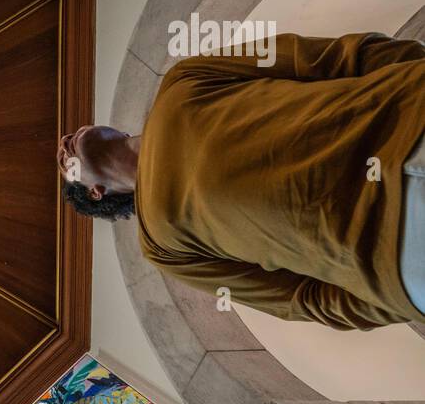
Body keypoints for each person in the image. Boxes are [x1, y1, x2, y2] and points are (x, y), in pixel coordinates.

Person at [59, 32, 425, 331]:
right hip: (395, 248)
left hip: (409, 119)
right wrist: (393, 295)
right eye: (64, 165)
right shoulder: (161, 247)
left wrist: (414, 81)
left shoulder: (182, 80)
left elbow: (317, 57)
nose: (61, 145)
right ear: (95, 192)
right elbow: (295, 299)